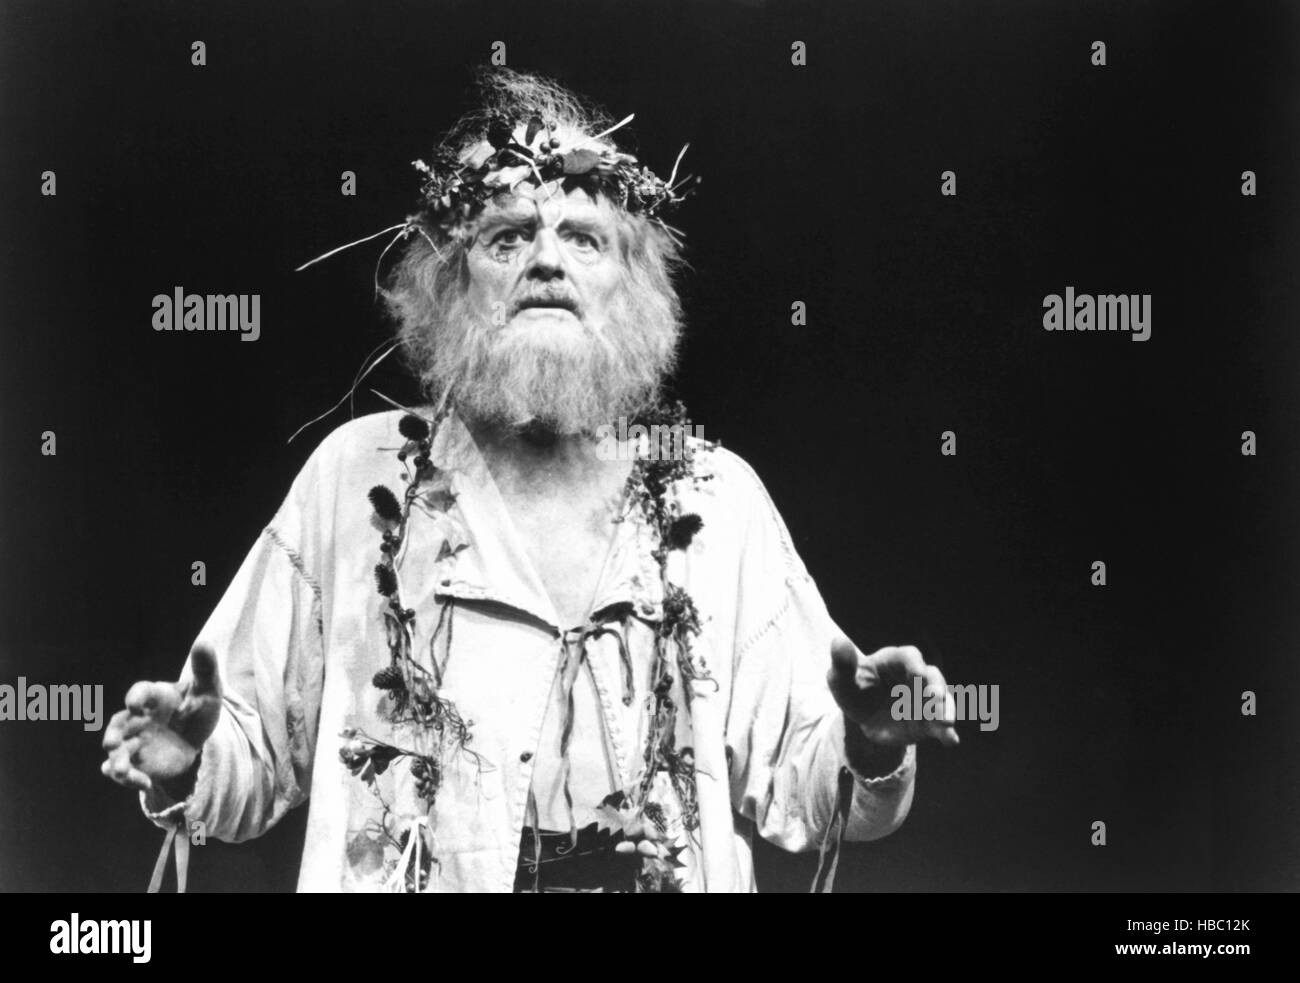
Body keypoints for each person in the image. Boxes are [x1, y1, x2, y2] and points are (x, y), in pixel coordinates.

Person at [101, 69, 958, 893]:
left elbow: (806, 786)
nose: (546, 262)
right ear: (448, 284)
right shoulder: (352, 479)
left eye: (583, 239)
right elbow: (248, 754)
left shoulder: (717, 498)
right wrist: (191, 763)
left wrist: (870, 746)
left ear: (637, 289)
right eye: (507, 237)